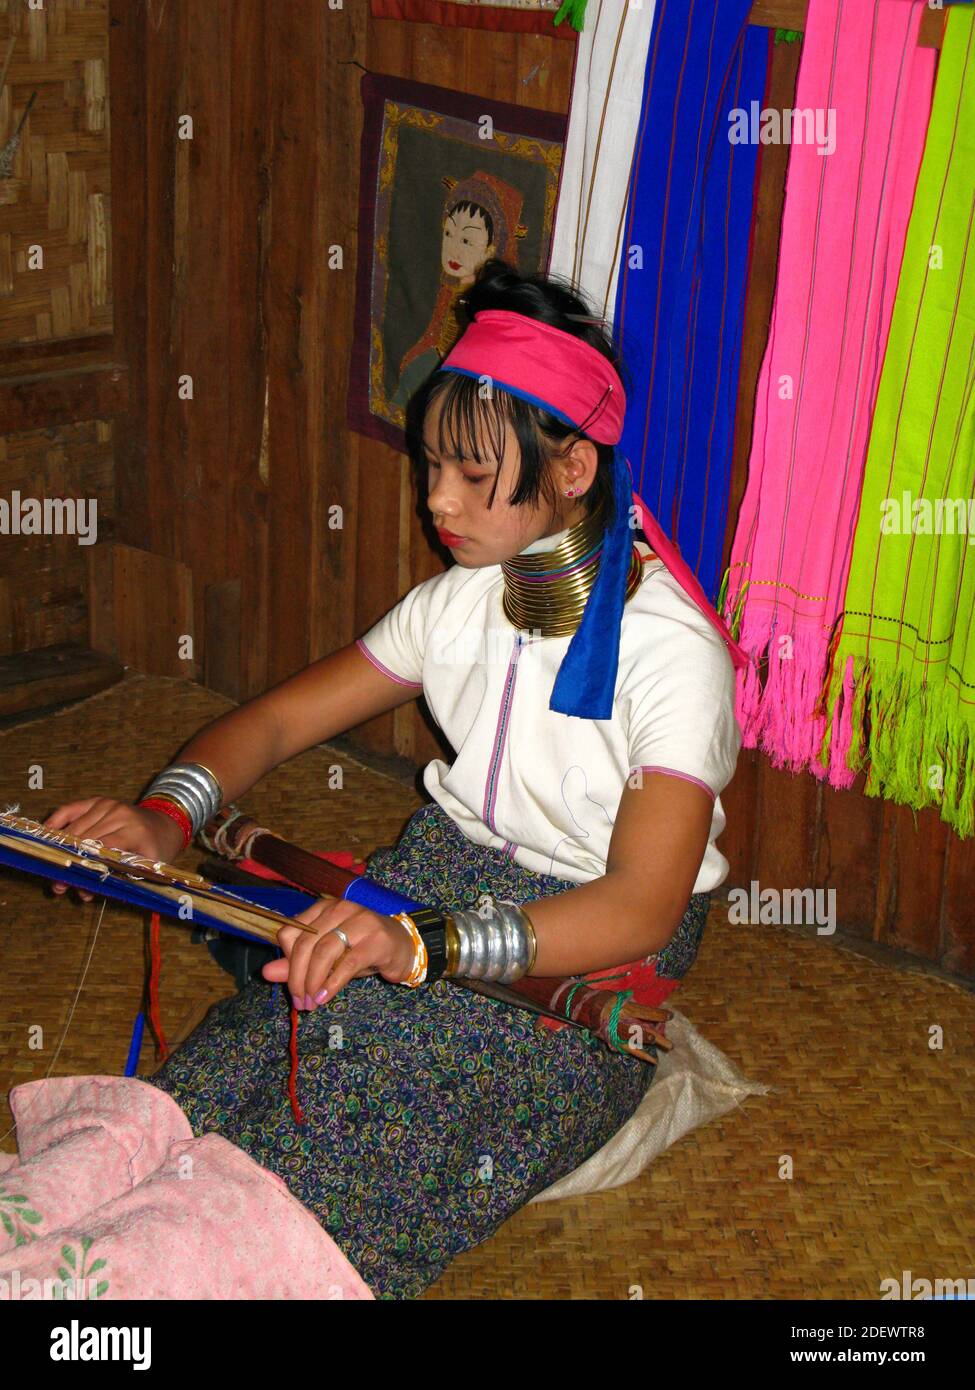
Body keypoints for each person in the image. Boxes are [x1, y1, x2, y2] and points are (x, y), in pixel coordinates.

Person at [43, 261, 743, 1300]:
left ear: (576, 468)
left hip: (580, 955)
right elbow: (280, 718)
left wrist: (423, 939)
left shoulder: (668, 653)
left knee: (361, 1121)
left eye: (470, 473)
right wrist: (160, 818)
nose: (437, 501)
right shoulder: (463, 600)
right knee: (240, 1066)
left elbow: (642, 906)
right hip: (430, 881)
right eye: (431, 468)